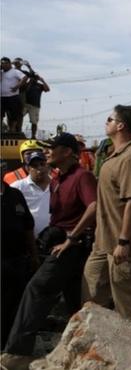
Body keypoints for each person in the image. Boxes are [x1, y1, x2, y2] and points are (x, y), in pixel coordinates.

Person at [2, 133, 97, 367]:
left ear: (67, 151)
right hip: (60, 245)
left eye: (51, 148)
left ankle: (17, 354)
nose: (47, 153)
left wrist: (71, 238)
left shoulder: (81, 176)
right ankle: (83, 350)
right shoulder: (58, 180)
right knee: (75, 300)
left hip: (70, 247)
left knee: (37, 289)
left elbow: (94, 206)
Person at [83, 105, 131, 322]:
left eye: (109, 119)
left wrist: (124, 241)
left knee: (128, 302)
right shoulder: (115, 155)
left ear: (120, 125)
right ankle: (95, 339)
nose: (106, 122)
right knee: (92, 287)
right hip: (104, 239)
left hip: (122, 244)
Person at [0, 180, 37, 353]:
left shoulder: (15, 195)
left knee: (15, 306)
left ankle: (11, 350)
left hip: (16, 261)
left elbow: (28, 227)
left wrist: (34, 255)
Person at [10, 151, 50, 236]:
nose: (39, 168)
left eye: (42, 164)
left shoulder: (57, 184)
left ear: (47, 166)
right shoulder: (18, 186)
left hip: (56, 240)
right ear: (28, 168)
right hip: (29, 241)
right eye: (35, 166)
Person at [15, 60, 49, 139]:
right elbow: (24, 87)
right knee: (18, 117)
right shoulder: (27, 84)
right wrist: (30, 79)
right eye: (33, 77)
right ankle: (18, 131)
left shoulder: (39, 86)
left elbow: (47, 89)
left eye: (36, 78)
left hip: (35, 106)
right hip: (26, 104)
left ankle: (33, 136)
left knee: (34, 122)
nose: (34, 79)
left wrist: (42, 80)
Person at [1, 57, 28, 133]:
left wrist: (17, 86)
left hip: (13, 96)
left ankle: (12, 129)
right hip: (2, 97)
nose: (3, 65)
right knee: (1, 114)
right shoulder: (1, 72)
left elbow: (25, 77)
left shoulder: (15, 71)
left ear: (9, 64)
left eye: (5, 63)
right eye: (2, 64)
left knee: (13, 115)